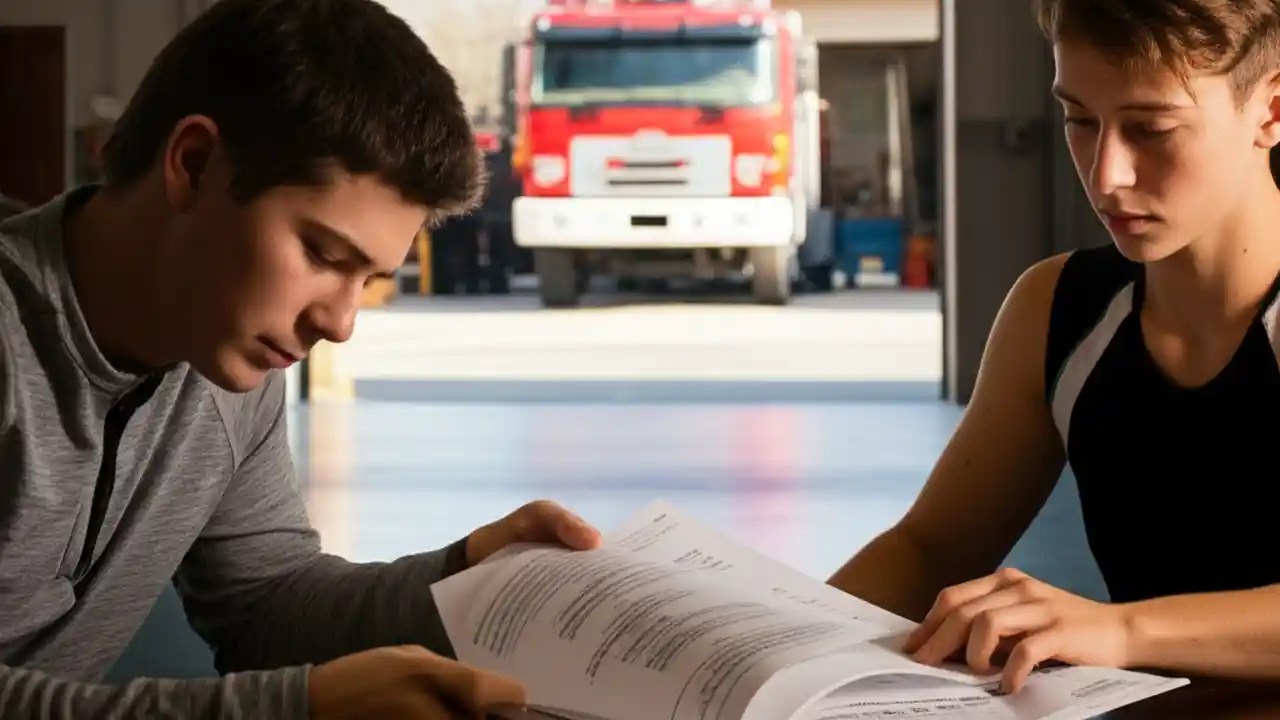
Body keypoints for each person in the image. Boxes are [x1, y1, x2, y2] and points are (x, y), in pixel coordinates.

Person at [0, 0, 603, 717]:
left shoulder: (223, 363)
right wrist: (293, 708)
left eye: (369, 279)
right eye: (322, 254)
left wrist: (471, 579)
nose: (339, 323)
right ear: (194, 164)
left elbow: (267, 605)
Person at [829, 0, 1280, 696]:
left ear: (1271, 110)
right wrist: (766, 647)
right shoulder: (1060, 308)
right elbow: (930, 549)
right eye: (1079, 119)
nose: (1106, 175)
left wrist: (1121, 632)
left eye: (1152, 129)